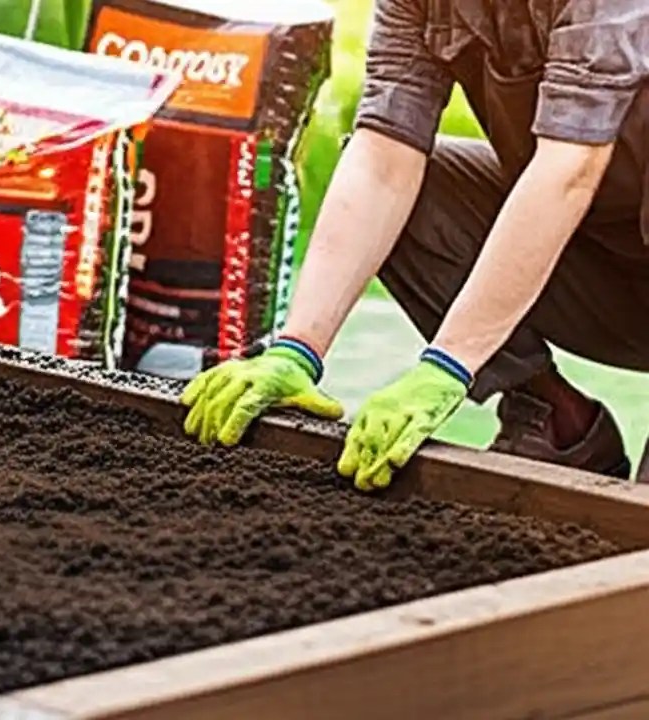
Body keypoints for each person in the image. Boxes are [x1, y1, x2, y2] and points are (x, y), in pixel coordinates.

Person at [181, 0, 649, 490]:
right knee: (418, 198)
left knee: (642, 532)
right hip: (605, 265)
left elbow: (569, 171)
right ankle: (559, 425)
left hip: (594, 208)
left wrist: (448, 364)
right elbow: (384, 155)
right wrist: (297, 349)